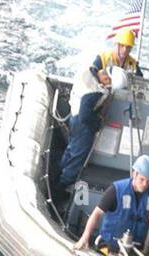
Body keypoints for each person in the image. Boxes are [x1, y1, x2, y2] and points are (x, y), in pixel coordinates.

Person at [57, 28, 141, 190]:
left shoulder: (131, 65)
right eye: (122, 46)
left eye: (128, 47)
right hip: (87, 118)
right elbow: (85, 112)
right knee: (78, 153)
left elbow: (141, 82)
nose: (124, 50)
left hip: (96, 111)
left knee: (72, 149)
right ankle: (62, 185)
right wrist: (97, 124)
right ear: (116, 44)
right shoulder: (100, 65)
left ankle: (60, 172)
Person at [76, 155, 149, 252]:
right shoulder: (116, 189)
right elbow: (96, 213)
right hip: (109, 246)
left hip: (135, 249)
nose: (145, 184)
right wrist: (85, 237)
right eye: (142, 179)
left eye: (148, 181)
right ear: (134, 174)